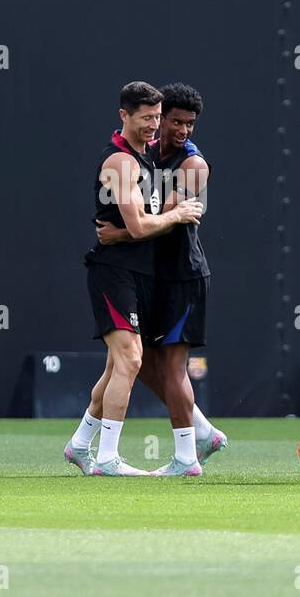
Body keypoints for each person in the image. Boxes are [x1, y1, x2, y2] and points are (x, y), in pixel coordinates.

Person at [90, 83, 228, 476]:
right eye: (175, 121)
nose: (183, 130)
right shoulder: (141, 152)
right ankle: (200, 432)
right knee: (134, 362)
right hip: (149, 277)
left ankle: (186, 457)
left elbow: (166, 216)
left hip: (183, 275)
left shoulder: (194, 165)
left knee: (167, 368)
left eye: (191, 124)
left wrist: (119, 234)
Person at [65, 81, 202, 476]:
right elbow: (141, 226)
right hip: (114, 273)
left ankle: (79, 445)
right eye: (145, 118)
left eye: (157, 118)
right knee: (131, 359)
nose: (153, 126)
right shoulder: (121, 162)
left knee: (114, 368)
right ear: (124, 115)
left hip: (140, 273)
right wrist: (176, 216)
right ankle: (107, 458)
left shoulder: (150, 159)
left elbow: (142, 225)